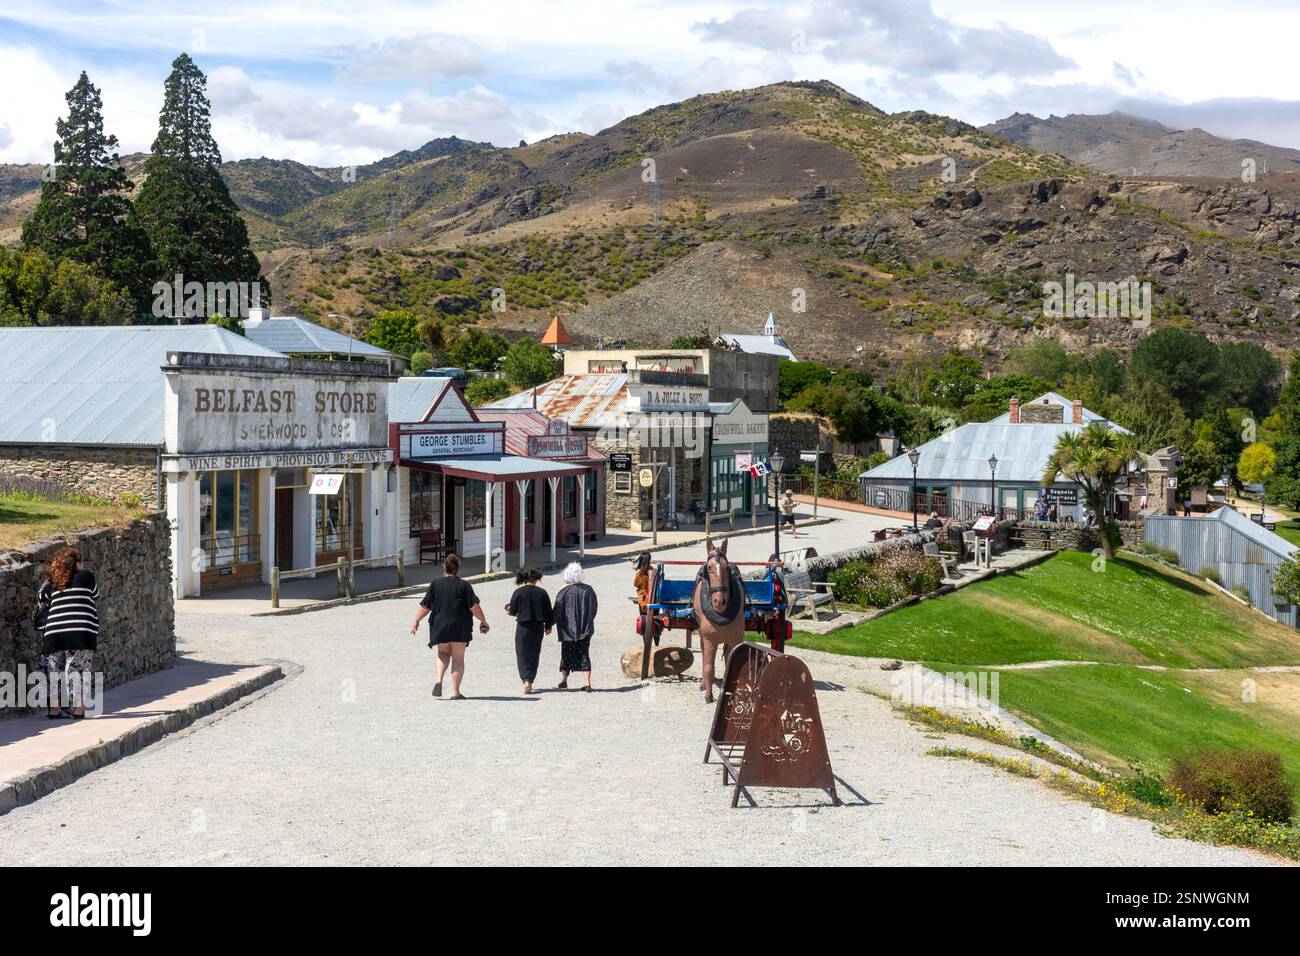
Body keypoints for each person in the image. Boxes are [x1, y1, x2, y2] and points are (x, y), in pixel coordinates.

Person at [410, 553, 488, 700]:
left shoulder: (435, 584)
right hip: (460, 626)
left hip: (439, 626)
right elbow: (474, 606)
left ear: (444, 568)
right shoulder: (464, 585)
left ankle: (439, 680)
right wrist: (483, 621)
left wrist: (416, 620)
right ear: (457, 569)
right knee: (458, 659)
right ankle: (455, 692)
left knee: (443, 654)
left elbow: (426, 606)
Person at [35, 546, 99, 719]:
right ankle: (78, 709)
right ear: (77, 563)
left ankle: (54, 709)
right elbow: (95, 594)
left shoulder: (53, 582)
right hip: (80, 631)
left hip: (54, 631)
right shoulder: (87, 577)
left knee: (53, 669)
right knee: (78, 669)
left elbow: (42, 598)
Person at [505, 567, 552, 695]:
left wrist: (508, 608)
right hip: (538, 627)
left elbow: (513, 611)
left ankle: (526, 680)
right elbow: (548, 612)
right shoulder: (542, 593)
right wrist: (548, 627)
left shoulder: (518, 592)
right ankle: (530, 678)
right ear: (536, 579)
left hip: (523, 627)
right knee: (534, 653)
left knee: (522, 654)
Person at [553, 562, 599, 691]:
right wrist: (589, 621)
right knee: (584, 654)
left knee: (566, 654)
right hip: (585, 629)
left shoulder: (563, 591)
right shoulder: (589, 590)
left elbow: (557, 611)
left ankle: (564, 680)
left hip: (567, 630)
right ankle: (587, 683)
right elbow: (594, 608)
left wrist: (549, 624)